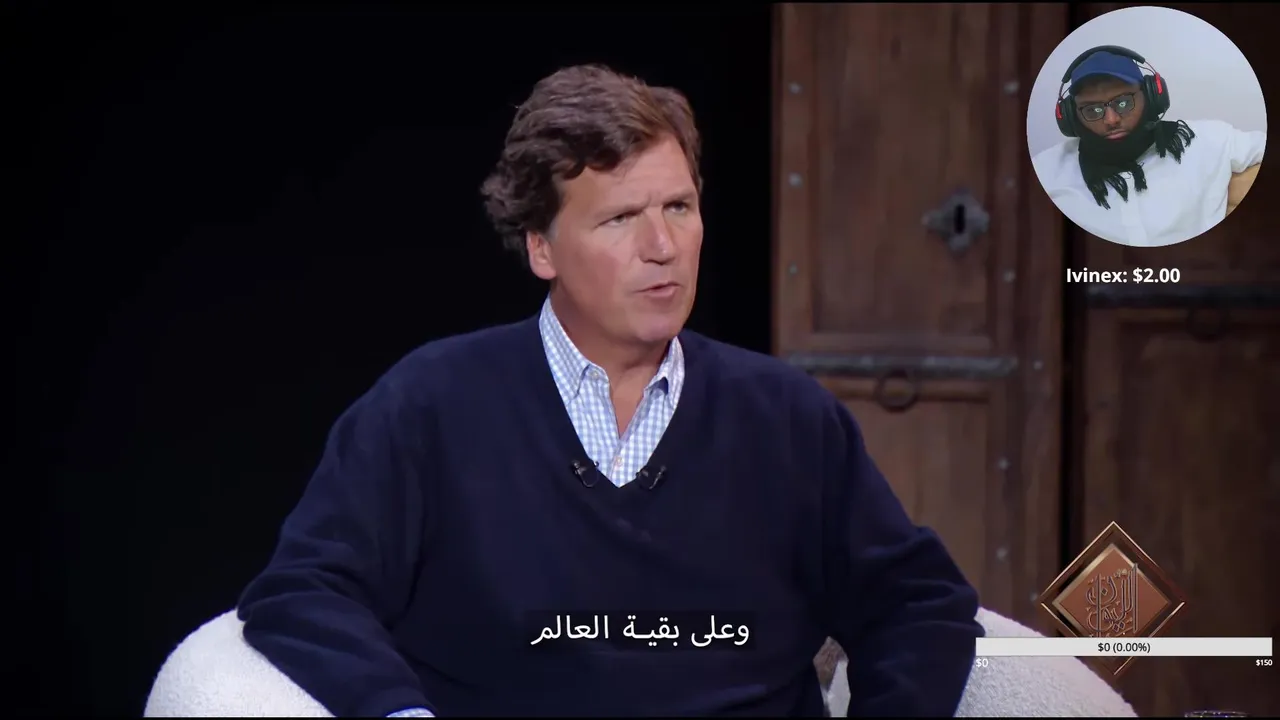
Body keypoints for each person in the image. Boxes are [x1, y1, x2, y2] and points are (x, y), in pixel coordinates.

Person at [236, 63, 983, 717]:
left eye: (679, 208)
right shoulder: (430, 406)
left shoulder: (787, 418)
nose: (662, 247)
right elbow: (305, 589)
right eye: (622, 218)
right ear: (542, 247)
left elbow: (920, 605)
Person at [1032, 45, 1266, 247]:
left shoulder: (1209, 140)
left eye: (1123, 103)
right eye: (1093, 110)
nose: (1111, 120)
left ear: (1152, 95)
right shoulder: (1047, 171)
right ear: (1070, 116)